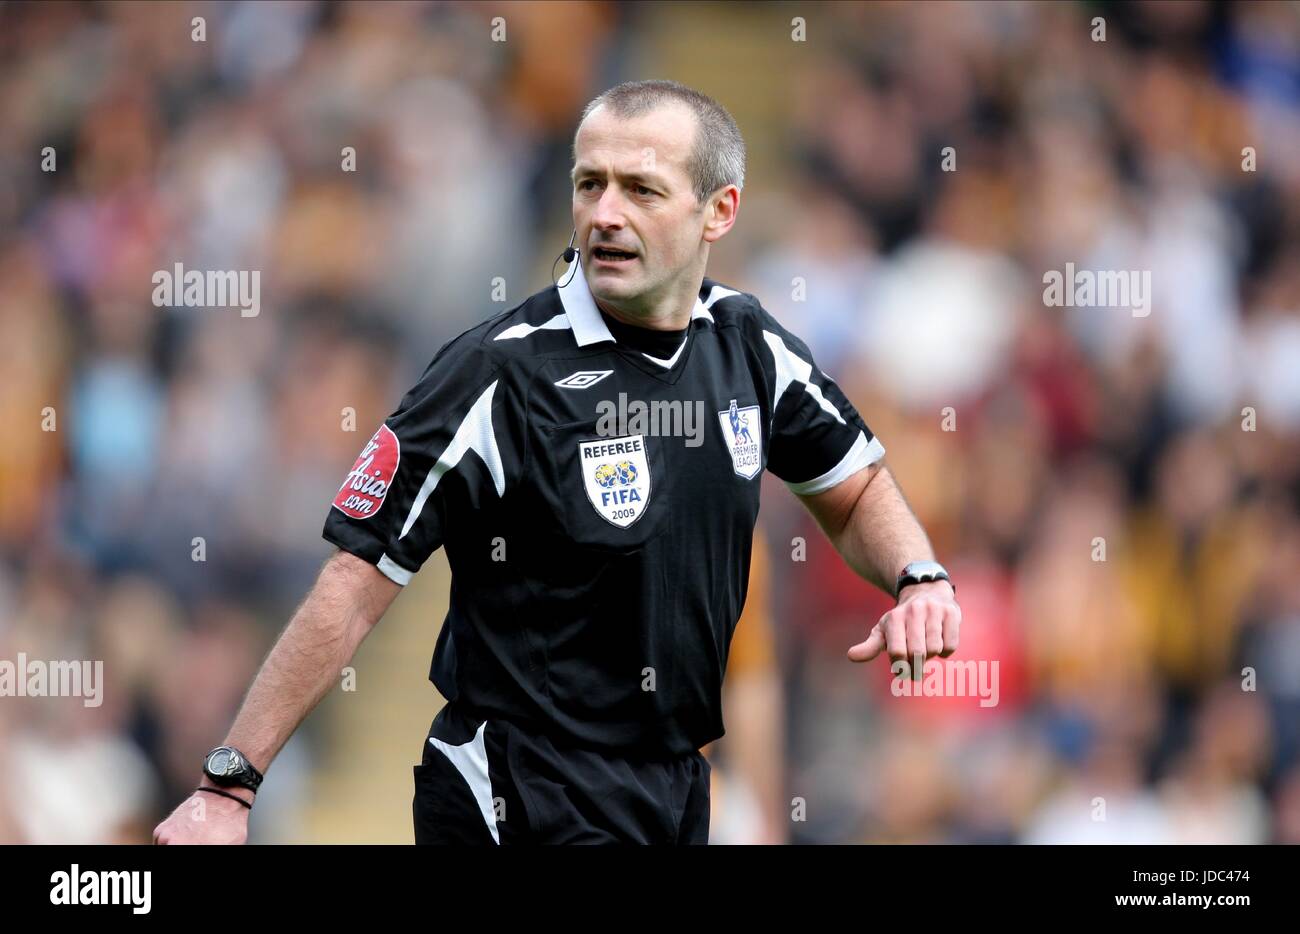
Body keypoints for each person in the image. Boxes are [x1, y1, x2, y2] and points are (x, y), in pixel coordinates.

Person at [152, 79, 961, 846]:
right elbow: (354, 584)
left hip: (673, 788)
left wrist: (917, 576)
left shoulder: (751, 349)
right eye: (588, 184)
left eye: (640, 190)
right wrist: (230, 784)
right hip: (521, 785)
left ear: (720, 211)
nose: (605, 214)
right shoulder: (497, 374)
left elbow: (856, 493)